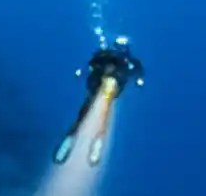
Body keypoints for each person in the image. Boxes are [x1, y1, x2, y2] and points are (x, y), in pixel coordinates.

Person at [53, 36, 144, 166]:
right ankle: (77, 139)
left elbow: (138, 74)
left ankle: (77, 140)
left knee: (94, 116)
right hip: (99, 91)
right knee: (93, 116)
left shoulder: (120, 60)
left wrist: (139, 81)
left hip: (102, 92)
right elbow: (89, 66)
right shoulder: (109, 57)